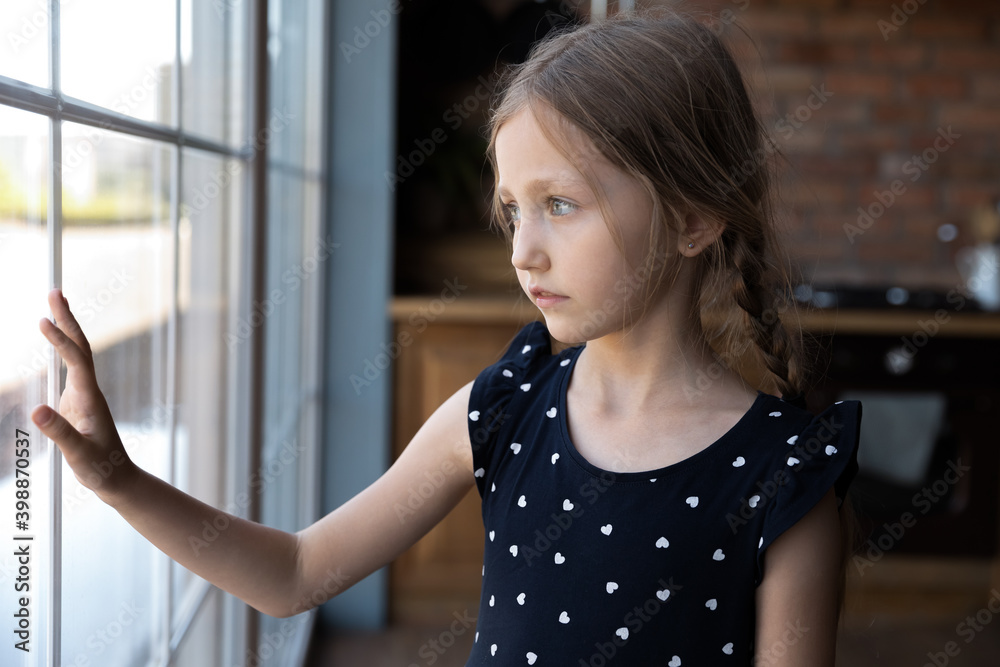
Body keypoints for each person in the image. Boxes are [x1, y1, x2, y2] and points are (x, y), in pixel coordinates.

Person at [31, 8, 862, 666]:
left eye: (561, 204)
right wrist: (117, 478)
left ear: (690, 218)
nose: (521, 249)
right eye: (512, 209)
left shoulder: (786, 484)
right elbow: (291, 575)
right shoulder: (503, 407)